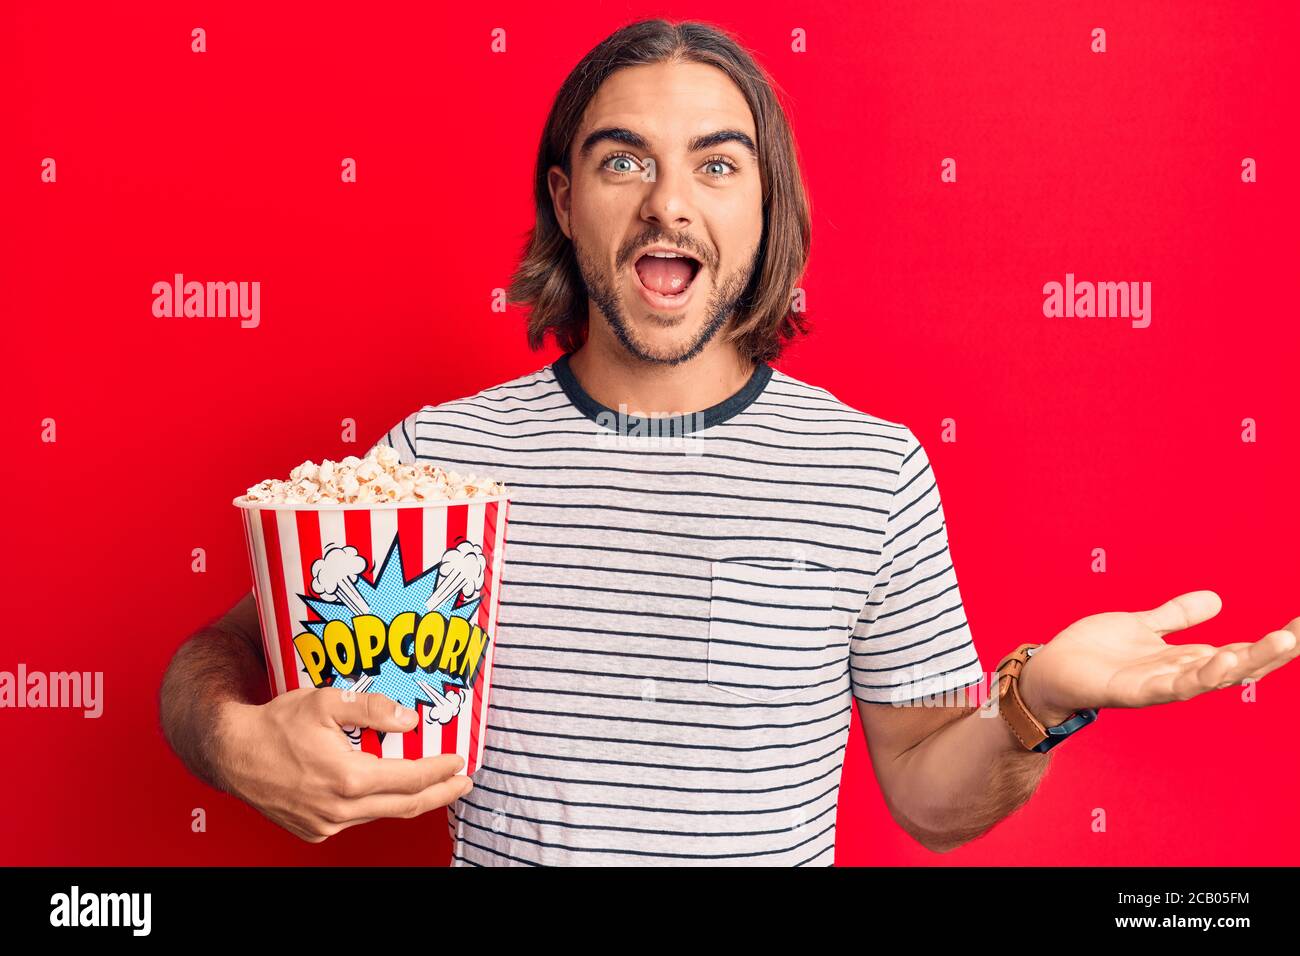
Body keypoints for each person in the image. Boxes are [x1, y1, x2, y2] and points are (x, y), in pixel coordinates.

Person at [160, 18, 1300, 865]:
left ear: (765, 211)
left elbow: (928, 795)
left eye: (716, 164)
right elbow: (219, 655)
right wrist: (228, 738)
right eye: (622, 161)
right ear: (565, 198)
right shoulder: (432, 459)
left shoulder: (873, 470)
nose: (668, 203)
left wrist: (1037, 702)